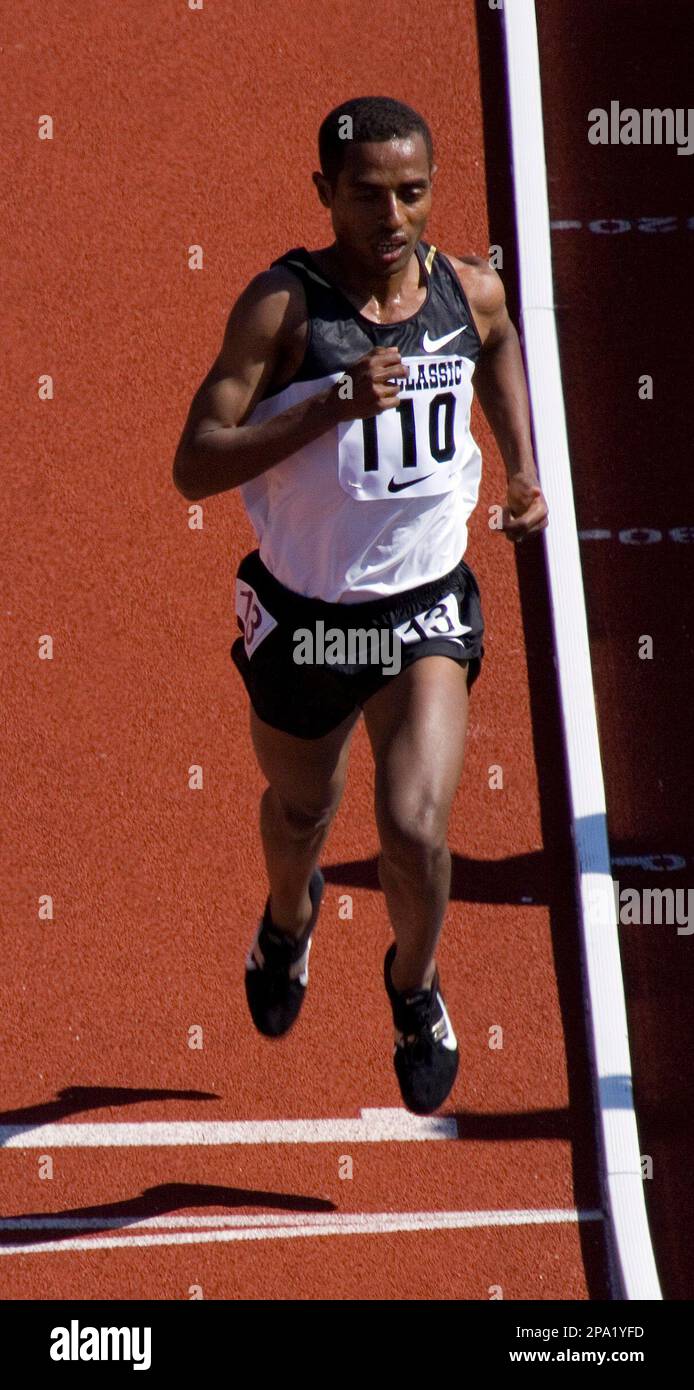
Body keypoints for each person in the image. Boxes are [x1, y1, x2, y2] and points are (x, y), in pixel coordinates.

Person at [173, 96, 549, 1115]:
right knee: (302, 809)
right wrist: (333, 404)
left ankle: (414, 989)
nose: (393, 216)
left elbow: (498, 341)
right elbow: (194, 465)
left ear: (432, 190)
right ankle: (288, 918)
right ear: (325, 194)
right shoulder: (284, 310)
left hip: (424, 607)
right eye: (368, 195)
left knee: (415, 828)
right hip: (305, 618)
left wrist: (522, 469)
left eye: (412, 193)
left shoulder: (466, 289)